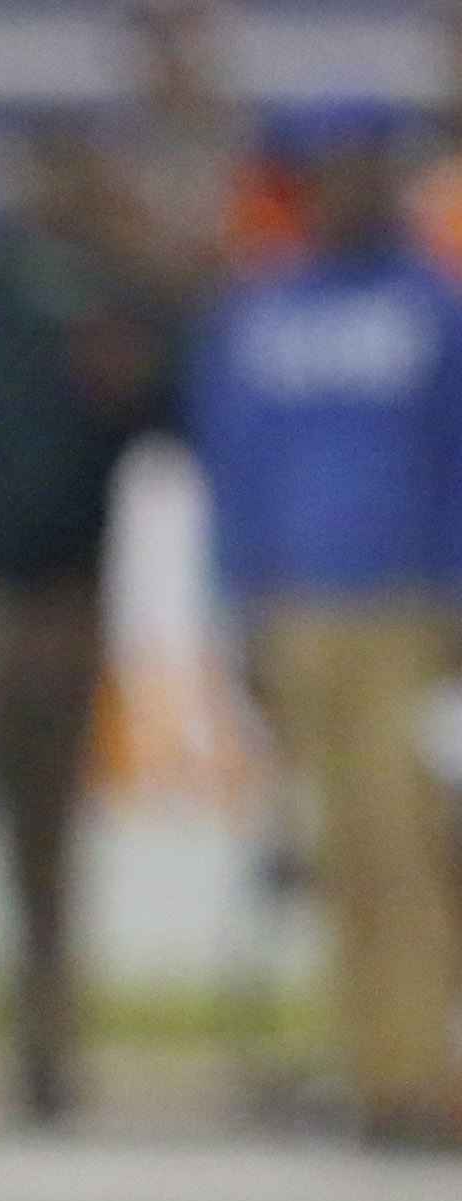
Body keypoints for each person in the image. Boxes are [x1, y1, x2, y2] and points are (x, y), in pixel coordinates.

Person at [193, 101, 462, 1147]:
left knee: (406, 847)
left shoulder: (434, 306)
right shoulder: (259, 310)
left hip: (404, 610)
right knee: (343, 855)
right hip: (298, 609)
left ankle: (416, 1073)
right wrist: (240, 609)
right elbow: (237, 477)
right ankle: (373, 1074)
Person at [0, 122, 175, 1120]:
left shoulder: (115, 302)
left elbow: (157, 407)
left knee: (47, 842)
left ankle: (46, 1056)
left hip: (66, 598)